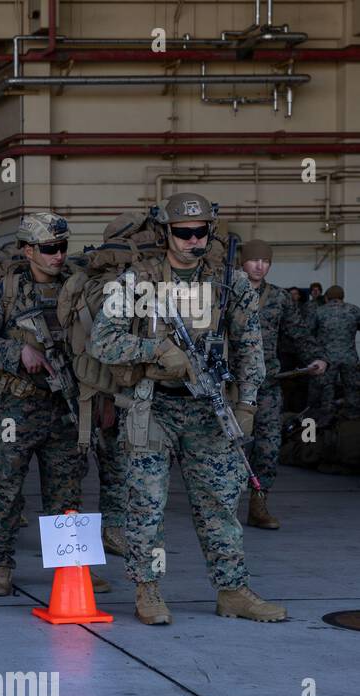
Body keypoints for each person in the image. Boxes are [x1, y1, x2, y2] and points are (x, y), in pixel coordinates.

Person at [89, 192, 285, 625]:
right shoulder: (136, 281)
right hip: (153, 406)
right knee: (147, 505)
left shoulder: (229, 283)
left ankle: (232, 590)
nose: (193, 240)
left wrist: (248, 403)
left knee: (219, 502)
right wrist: (156, 350)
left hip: (209, 411)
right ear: (166, 233)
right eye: (183, 233)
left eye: (200, 232)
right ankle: (149, 590)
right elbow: (101, 342)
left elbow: (251, 351)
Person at [0, 213, 102, 597]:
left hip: (65, 406)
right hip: (16, 406)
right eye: (49, 249)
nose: (59, 255)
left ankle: (72, 570)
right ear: (28, 250)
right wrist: (18, 352)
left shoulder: (77, 289)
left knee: (67, 493)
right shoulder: (4, 290)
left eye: (63, 247)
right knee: (4, 488)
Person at [238, 240, 327, 529]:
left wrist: (315, 357)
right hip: (231, 386)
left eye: (265, 261)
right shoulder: (225, 294)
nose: (259, 266)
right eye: (254, 261)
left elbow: (297, 333)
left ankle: (258, 504)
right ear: (243, 262)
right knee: (225, 449)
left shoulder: (279, 298)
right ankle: (219, 508)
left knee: (268, 446)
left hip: (267, 385)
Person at [307, 286, 360, 419]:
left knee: (326, 387)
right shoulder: (354, 310)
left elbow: (308, 333)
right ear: (343, 297)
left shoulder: (319, 311)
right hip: (349, 356)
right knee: (352, 386)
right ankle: (352, 415)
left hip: (326, 358)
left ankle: (327, 416)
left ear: (326, 297)